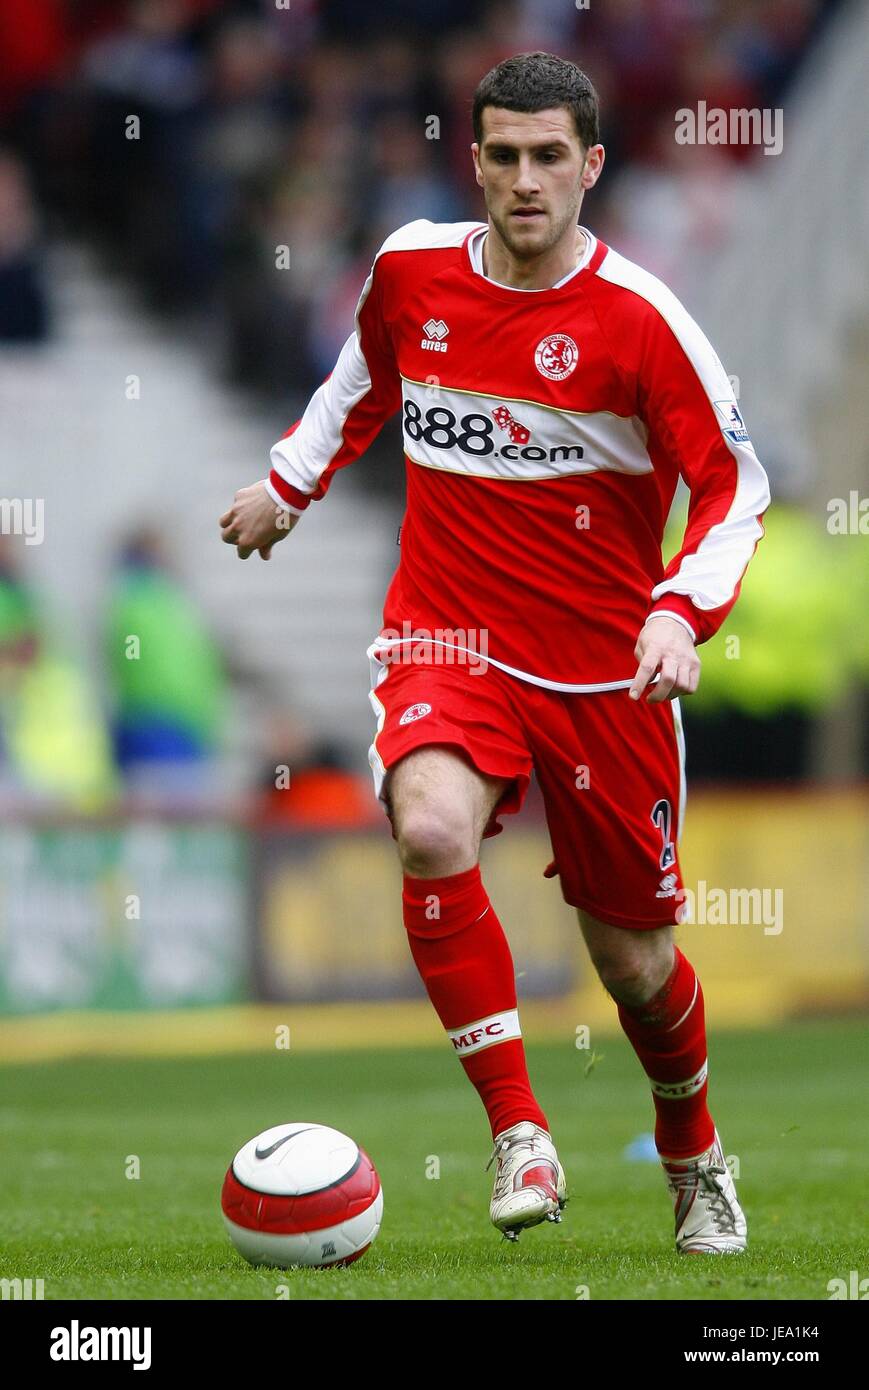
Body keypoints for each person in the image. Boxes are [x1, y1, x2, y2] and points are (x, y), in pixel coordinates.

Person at [220, 52, 770, 1252]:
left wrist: (679, 610)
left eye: (548, 158)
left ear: (590, 166)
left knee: (632, 964)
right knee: (427, 827)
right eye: (503, 156)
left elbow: (736, 489)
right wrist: (288, 480)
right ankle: (518, 1128)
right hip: (445, 637)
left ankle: (692, 1150)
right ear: (474, 161)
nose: (525, 180)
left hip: (603, 674)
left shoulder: (642, 324)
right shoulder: (412, 268)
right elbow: (366, 371)